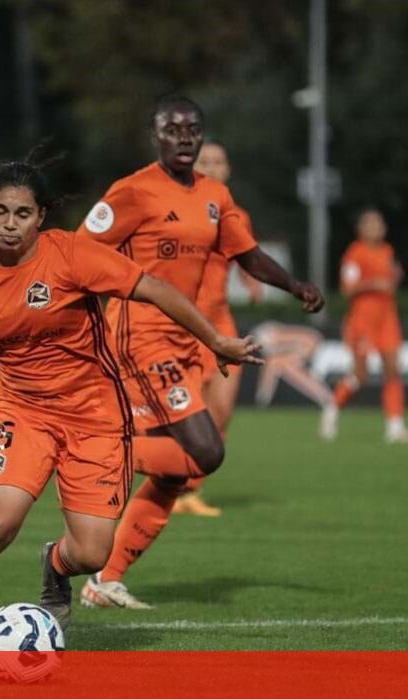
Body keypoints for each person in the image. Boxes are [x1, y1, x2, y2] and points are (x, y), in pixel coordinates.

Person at [0, 158, 260, 650]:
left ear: (41, 217)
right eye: (0, 212)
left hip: (97, 418)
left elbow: (154, 288)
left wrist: (214, 339)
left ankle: (55, 562)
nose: (10, 224)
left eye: (22, 213)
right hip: (25, 415)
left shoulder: (71, 256)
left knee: (91, 552)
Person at [76, 95, 323, 610]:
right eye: (172, 129)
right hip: (142, 334)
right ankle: (82, 448)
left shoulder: (215, 196)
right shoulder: (133, 191)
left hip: (191, 338)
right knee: (206, 452)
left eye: (193, 130)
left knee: (179, 471)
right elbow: (80, 253)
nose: (184, 138)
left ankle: (105, 579)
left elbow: (248, 255)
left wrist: (294, 285)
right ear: (156, 135)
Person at [173, 140, 266, 517]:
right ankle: (170, 485)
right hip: (184, 325)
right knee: (185, 413)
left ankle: (189, 489)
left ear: (228, 170)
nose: (211, 167)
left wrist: (255, 281)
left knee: (222, 410)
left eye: (218, 161)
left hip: (222, 321)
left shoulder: (236, 215)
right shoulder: (177, 211)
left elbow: (247, 255)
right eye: (204, 161)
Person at [320, 208, 408, 443]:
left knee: (393, 369)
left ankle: (395, 426)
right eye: (371, 224)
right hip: (363, 319)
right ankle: (332, 408)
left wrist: (394, 279)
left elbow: (390, 282)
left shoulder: (387, 251)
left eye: (379, 223)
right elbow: (347, 289)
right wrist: (373, 283)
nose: (377, 228)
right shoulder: (355, 253)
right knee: (360, 374)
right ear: (361, 229)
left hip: (387, 317)